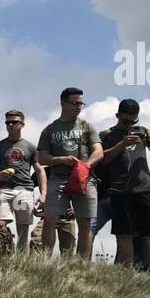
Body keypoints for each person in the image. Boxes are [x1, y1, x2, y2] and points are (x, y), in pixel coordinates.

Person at [96, 99, 150, 277]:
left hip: (145, 188)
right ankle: (127, 272)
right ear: (118, 116)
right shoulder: (106, 135)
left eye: (133, 121)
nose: (129, 124)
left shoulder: (143, 132)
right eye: (126, 120)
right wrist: (122, 144)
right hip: (120, 190)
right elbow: (102, 159)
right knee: (124, 234)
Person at [38, 86, 103, 260]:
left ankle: (81, 265)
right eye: (75, 103)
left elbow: (99, 151)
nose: (79, 107)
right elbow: (42, 158)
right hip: (58, 178)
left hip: (84, 179)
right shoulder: (50, 129)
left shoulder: (87, 126)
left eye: (81, 103)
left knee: (85, 222)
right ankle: (44, 261)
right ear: (63, 103)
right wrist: (62, 159)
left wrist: (85, 166)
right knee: (50, 218)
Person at [0, 110, 45, 252]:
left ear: (22, 124)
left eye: (14, 122)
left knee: (23, 229)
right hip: (3, 190)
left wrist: (43, 194)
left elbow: (39, 170)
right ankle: (1, 254)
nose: (10, 125)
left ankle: (21, 262)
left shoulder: (30, 146)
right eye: (8, 122)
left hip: (24, 190)